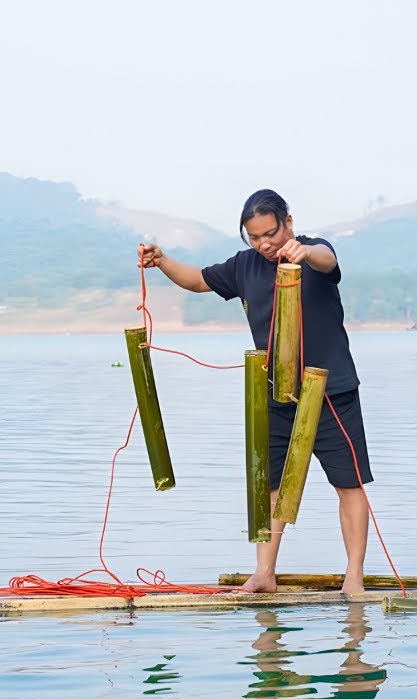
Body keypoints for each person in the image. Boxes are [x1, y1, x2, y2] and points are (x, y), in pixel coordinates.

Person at [137, 188, 374, 595]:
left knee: (348, 484)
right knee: (270, 484)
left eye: (271, 234)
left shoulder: (313, 252)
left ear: (289, 223)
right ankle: (264, 573)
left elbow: (328, 260)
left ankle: (353, 577)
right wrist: (162, 263)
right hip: (276, 394)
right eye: (255, 237)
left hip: (332, 391)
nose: (265, 244)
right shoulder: (245, 266)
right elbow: (197, 280)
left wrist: (303, 253)